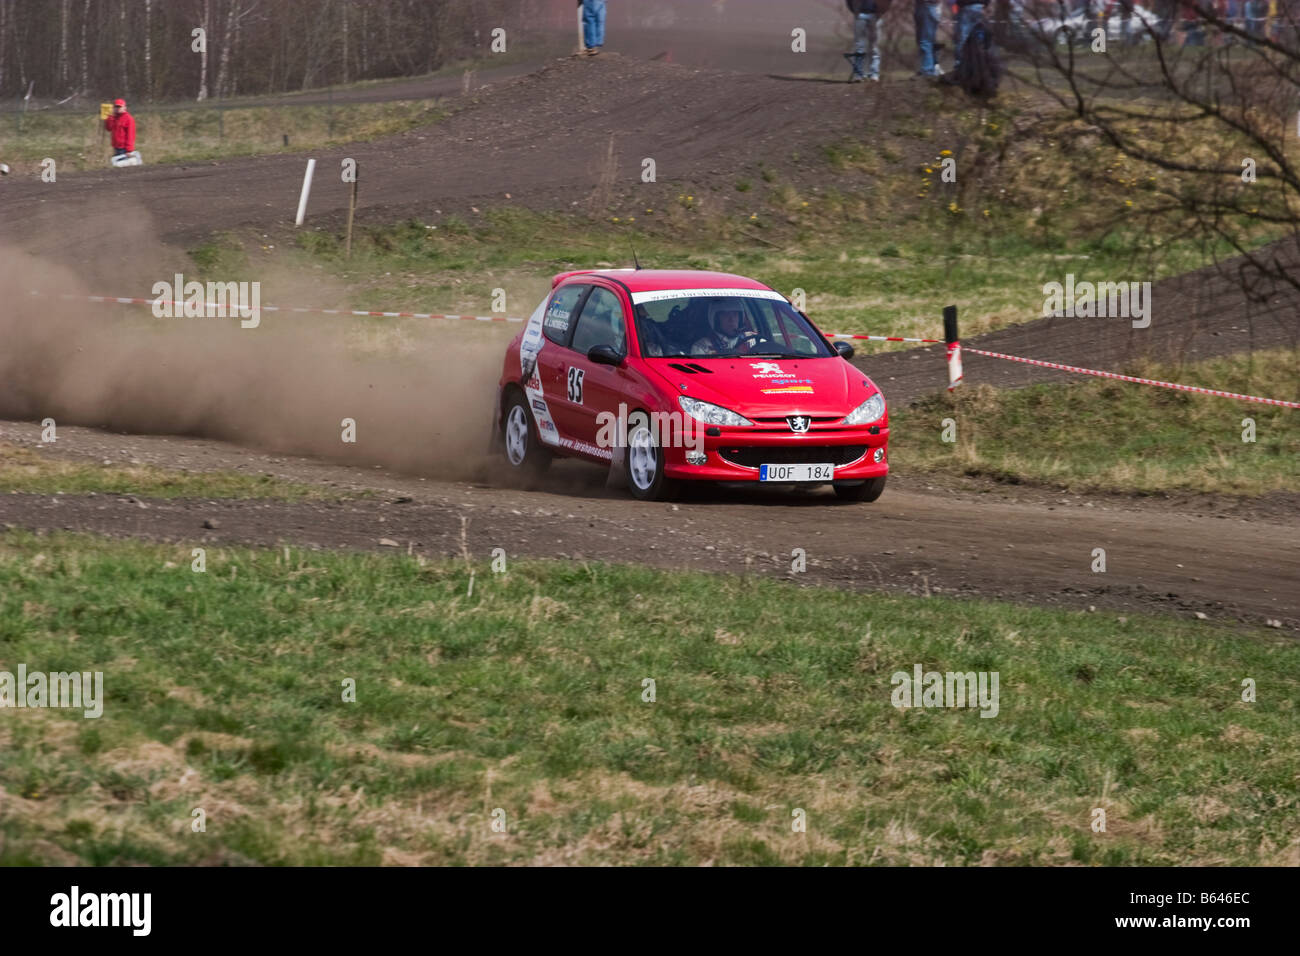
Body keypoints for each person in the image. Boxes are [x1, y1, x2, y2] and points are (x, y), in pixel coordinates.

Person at [691, 301, 758, 356]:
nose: (731, 320)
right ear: (716, 319)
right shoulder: (702, 347)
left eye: (735, 314)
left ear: (740, 318)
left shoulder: (753, 340)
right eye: (725, 314)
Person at [846, 0, 883, 82]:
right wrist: (856, 11)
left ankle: (874, 74)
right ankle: (858, 74)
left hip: (875, 15)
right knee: (860, 46)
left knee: (874, 46)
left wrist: (881, 11)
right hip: (860, 15)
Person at [914, 0, 943, 76]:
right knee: (927, 40)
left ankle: (928, 70)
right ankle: (933, 68)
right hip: (928, 6)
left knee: (925, 41)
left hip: (927, 5)